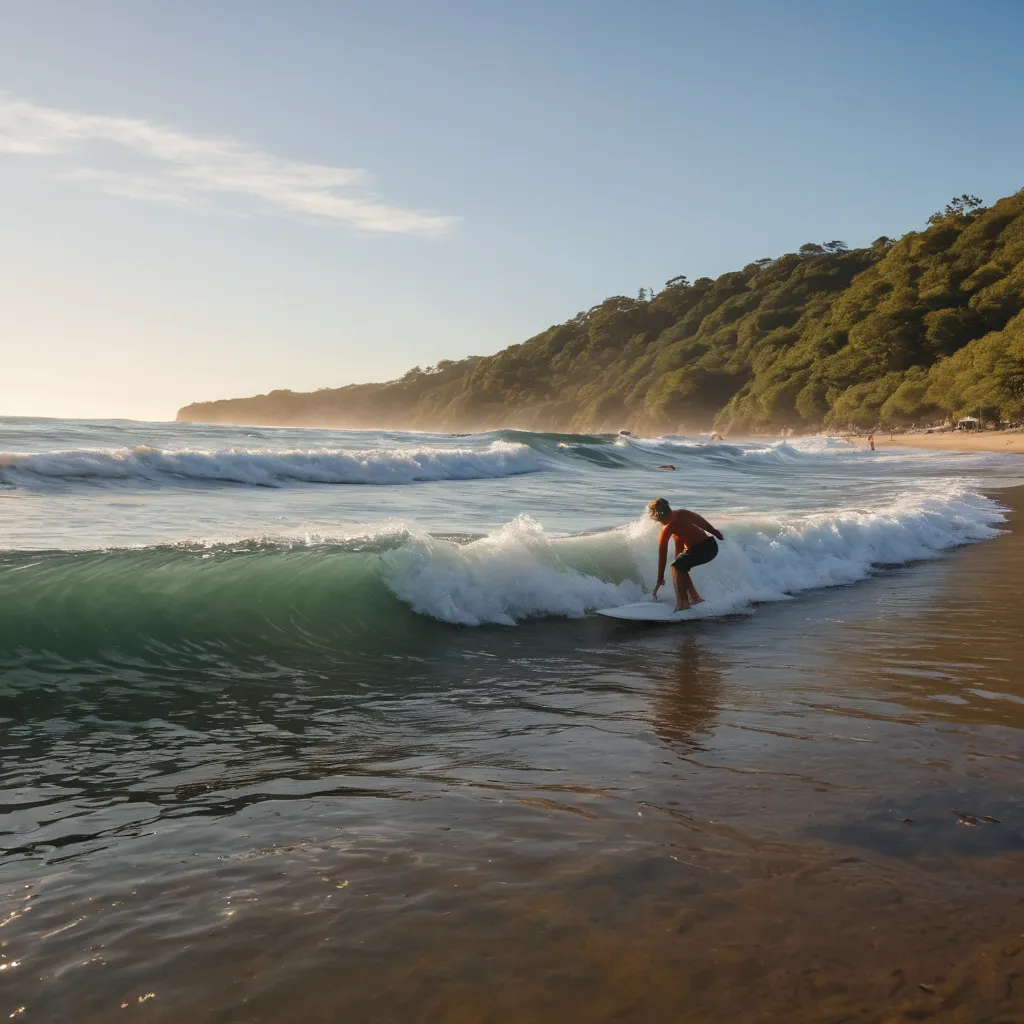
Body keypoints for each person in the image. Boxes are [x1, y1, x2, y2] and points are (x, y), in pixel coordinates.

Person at [647, 498, 724, 612]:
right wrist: (716, 533)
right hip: (711, 546)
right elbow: (702, 522)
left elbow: (662, 555)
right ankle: (695, 597)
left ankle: (682, 604)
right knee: (680, 567)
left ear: (657, 516)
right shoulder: (682, 514)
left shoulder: (668, 529)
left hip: (704, 547)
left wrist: (660, 578)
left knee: (677, 566)